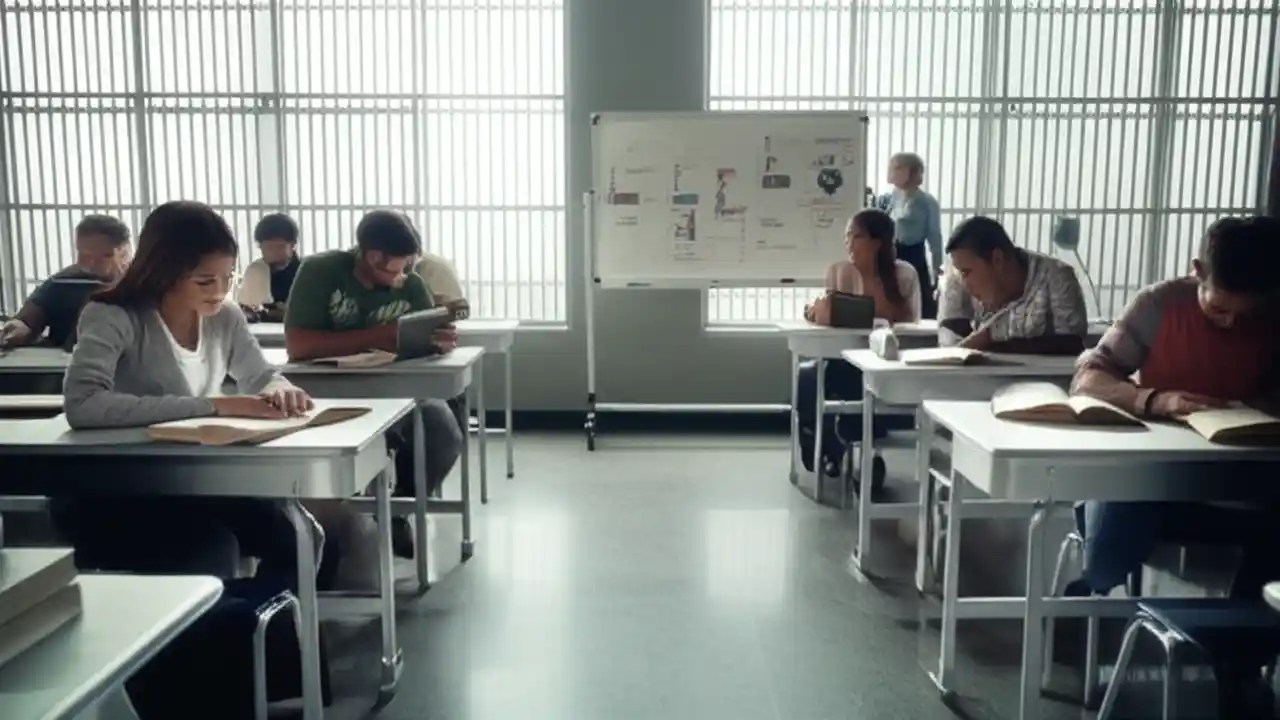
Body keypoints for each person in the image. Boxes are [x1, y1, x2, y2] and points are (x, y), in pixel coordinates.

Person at [58, 200, 313, 581]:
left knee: (299, 538)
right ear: (165, 273)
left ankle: (263, 633)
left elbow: (259, 375)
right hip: (117, 489)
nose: (221, 290)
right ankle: (228, 632)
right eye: (206, 280)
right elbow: (82, 405)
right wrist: (213, 406)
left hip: (195, 481)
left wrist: (280, 389)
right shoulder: (112, 315)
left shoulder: (225, 316)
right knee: (211, 551)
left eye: (229, 277)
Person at [1070, 215, 1280, 599]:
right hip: (1156, 481)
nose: (1232, 323)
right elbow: (1087, 377)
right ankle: (1094, 588)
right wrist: (1154, 400)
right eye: (1218, 308)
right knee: (1118, 517)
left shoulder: (1273, 312)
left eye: (1247, 314)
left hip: (1243, 482)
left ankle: (1239, 642)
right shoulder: (1159, 304)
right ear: (1197, 272)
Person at [285, 210, 463, 556]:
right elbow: (299, 346)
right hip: (325, 398)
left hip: (398, 396)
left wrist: (437, 343)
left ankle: (399, 511)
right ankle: (327, 526)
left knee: (442, 428)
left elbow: (423, 342)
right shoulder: (321, 271)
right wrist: (380, 336)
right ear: (369, 256)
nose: (400, 277)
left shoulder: (412, 284)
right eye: (392, 269)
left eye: (407, 267)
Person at [795, 209, 921, 488]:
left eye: (857, 236)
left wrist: (865, 295)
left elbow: (907, 323)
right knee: (808, 377)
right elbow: (827, 318)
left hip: (888, 365)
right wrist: (817, 313)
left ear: (877, 242)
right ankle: (831, 448)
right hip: (843, 360)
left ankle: (863, 453)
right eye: (847, 236)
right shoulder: (838, 271)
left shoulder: (904, 274)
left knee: (860, 385)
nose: (849, 243)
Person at [938, 215, 1088, 354]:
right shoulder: (955, 278)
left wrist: (989, 338)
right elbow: (950, 347)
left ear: (997, 259)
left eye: (967, 273)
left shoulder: (1057, 277)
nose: (965, 284)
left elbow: (1072, 344)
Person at [1, 214, 132, 349]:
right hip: (59, 364)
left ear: (124, 253)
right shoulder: (65, 280)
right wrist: (21, 326)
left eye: (104, 256)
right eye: (84, 255)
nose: (92, 263)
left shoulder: (138, 283)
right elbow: (34, 312)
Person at [876, 153, 942, 318]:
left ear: (913, 171)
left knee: (921, 305)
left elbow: (935, 239)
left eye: (898, 167)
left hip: (914, 256)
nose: (892, 172)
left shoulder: (927, 202)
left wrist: (937, 272)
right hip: (889, 256)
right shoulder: (888, 199)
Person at [237, 212, 301, 322]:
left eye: (280, 247)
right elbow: (244, 308)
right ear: (260, 246)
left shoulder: (304, 271)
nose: (274, 252)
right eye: (269, 247)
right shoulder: (255, 271)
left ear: (293, 245)